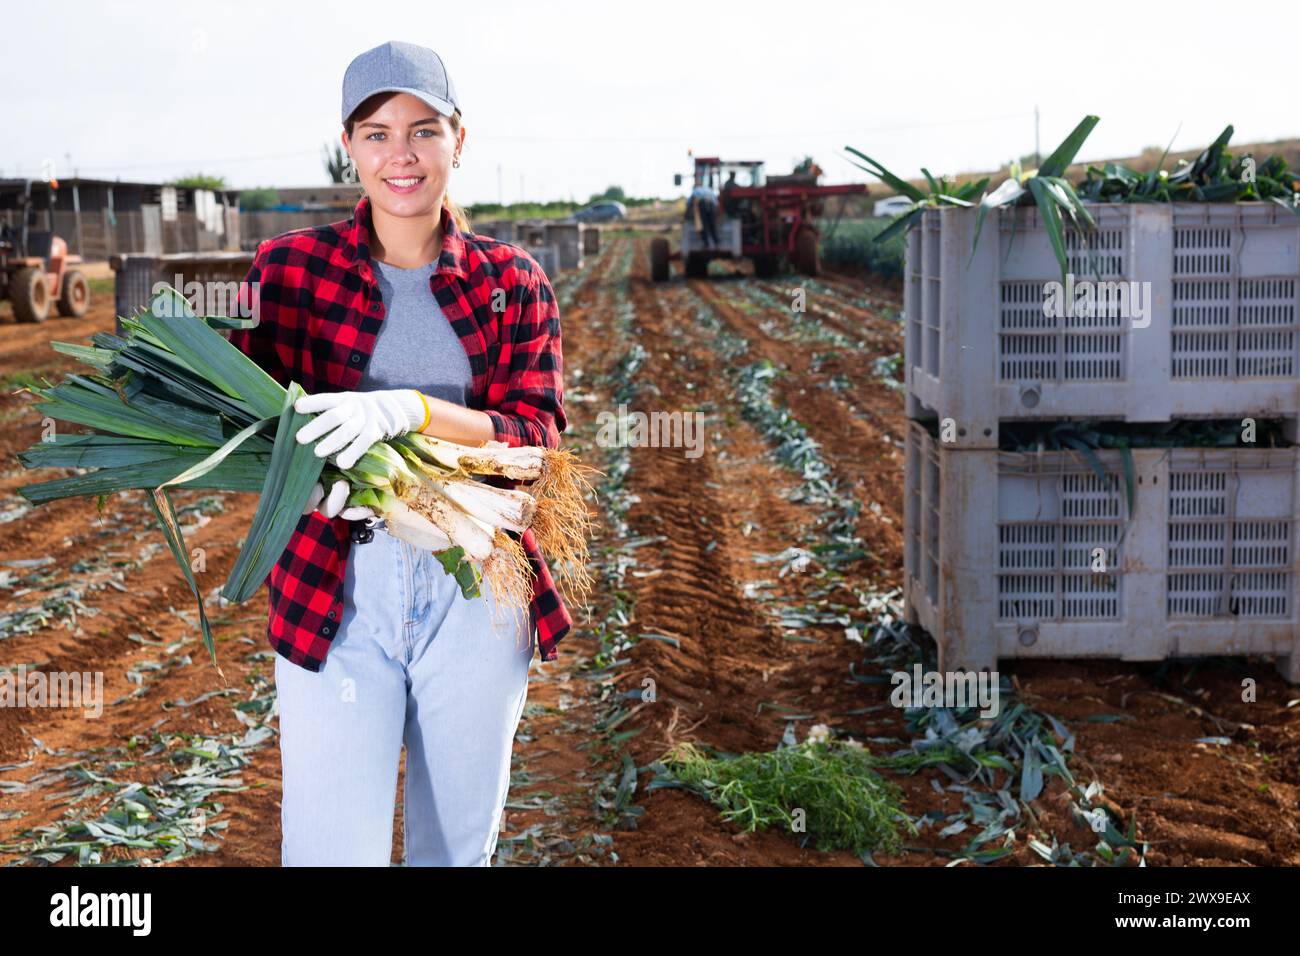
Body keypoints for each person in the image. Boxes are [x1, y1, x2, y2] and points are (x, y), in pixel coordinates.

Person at [228, 40, 572, 867]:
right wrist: (305, 488)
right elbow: (242, 422)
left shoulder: (512, 280)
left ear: (460, 139)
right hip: (336, 581)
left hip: (477, 579)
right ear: (349, 148)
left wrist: (413, 410)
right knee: (327, 851)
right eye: (377, 134)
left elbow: (537, 434)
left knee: (454, 852)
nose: (402, 155)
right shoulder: (286, 272)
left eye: (423, 130)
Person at [689, 179, 720, 248]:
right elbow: (716, 203)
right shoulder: (709, 190)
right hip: (711, 207)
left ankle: (706, 244)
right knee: (712, 225)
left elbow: (689, 202)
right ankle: (716, 242)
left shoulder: (696, 190)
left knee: (703, 225)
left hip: (702, 206)